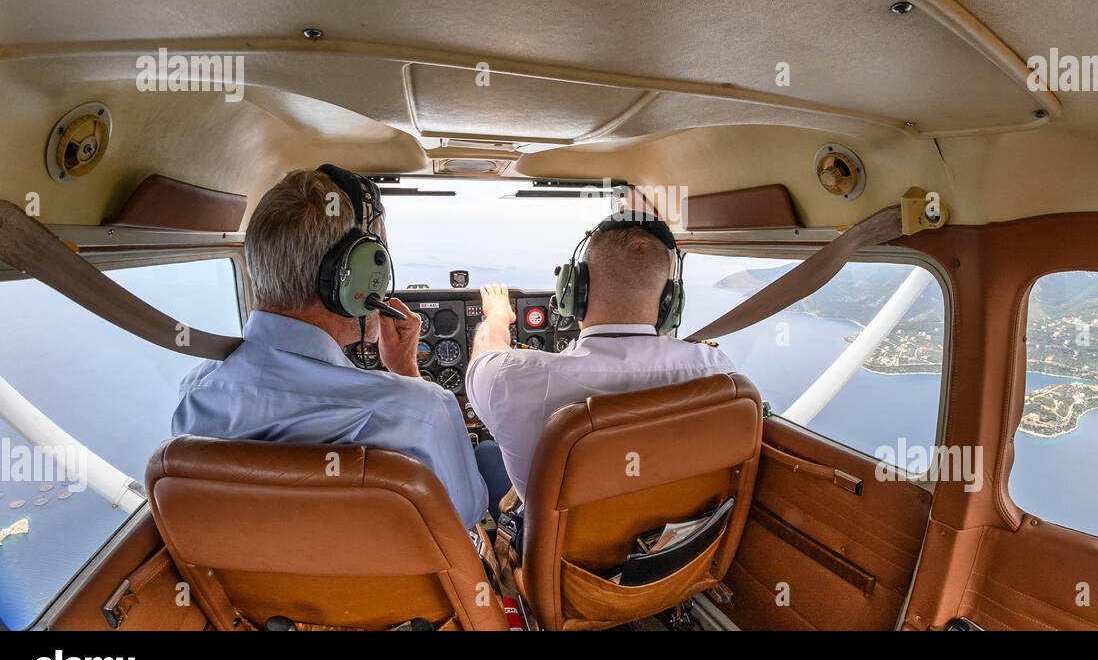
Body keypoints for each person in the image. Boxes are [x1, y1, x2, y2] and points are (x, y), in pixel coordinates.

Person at [172, 167, 487, 528]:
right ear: (358, 278)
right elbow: (464, 514)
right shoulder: (422, 412)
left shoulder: (194, 399)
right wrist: (409, 377)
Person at [465, 215, 736, 503]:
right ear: (670, 302)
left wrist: (496, 316)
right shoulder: (718, 371)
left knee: (483, 453)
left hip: (557, 548)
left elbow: (486, 350)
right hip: (681, 544)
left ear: (574, 292)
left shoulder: (509, 379)